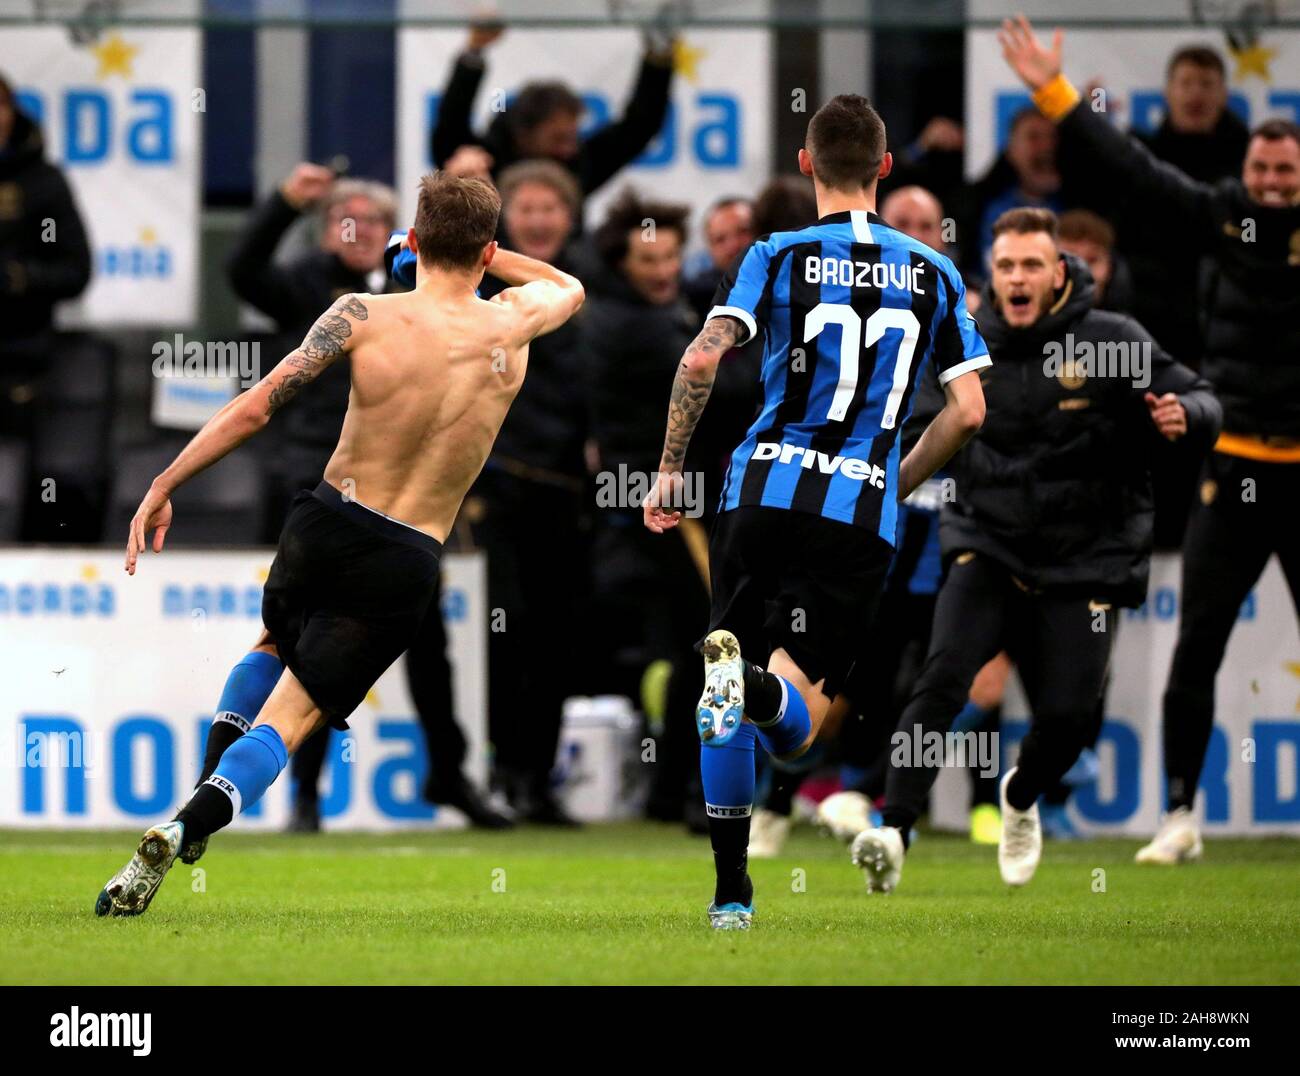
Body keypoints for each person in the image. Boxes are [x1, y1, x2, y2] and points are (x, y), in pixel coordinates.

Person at [94, 173, 584, 917]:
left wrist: (165, 482)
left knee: (269, 647)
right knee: (293, 718)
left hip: (326, 518)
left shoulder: (361, 312)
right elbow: (565, 283)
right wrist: (487, 256)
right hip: (408, 552)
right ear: (488, 251)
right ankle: (190, 820)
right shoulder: (510, 324)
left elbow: (257, 407)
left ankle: (196, 793)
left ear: (411, 241)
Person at [643, 94, 990, 930]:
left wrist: (665, 473)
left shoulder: (777, 251)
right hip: (857, 512)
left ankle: (731, 893)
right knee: (798, 725)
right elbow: (972, 411)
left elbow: (701, 357)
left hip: (759, 490)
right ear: (886, 167)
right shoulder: (935, 272)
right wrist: (891, 479)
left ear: (805, 165)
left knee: (714, 702)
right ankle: (758, 685)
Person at [848, 207, 1221, 894]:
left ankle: (1020, 797)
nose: (1017, 278)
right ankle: (893, 829)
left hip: (1087, 557)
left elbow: (1200, 395)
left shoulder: (1112, 340)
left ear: (1056, 274)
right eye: (1006, 266)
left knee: (1072, 719)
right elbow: (917, 423)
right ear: (991, 273)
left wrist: (1185, 415)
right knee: (943, 677)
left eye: (1031, 266)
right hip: (986, 541)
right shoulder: (960, 337)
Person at [1000, 15, 1300, 866]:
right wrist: (1055, 93)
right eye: (1263, 170)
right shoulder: (1224, 218)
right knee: (1196, 643)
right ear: (1245, 173)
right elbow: (1135, 168)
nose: (1273, 184)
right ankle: (1180, 815)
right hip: (1236, 464)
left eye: (1286, 173)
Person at [226, 163, 506, 833]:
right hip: (321, 489)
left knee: (430, 646)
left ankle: (450, 772)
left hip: (407, 513)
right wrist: (281, 203)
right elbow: (241, 269)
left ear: (404, 236)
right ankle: (305, 792)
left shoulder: (428, 287)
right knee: (304, 644)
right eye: (342, 219)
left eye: (372, 220)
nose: (357, 230)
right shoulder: (309, 287)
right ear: (326, 232)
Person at [431, 19, 675, 199]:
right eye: (558, 139)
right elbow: (450, 130)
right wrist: (474, 52)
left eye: (572, 137)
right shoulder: (484, 164)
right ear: (523, 134)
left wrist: (658, 54)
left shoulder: (579, 166)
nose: (569, 148)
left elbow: (639, 127)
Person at [0, 73, 92, 536]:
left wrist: (20, 278)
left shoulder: (44, 184)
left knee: (29, 485)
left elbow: (76, 272)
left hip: (21, 366)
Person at [683, 197, 755, 321]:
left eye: (743, 231)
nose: (733, 245)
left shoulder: (793, 282)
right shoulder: (696, 298)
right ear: (710, 249)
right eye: (720, 239)